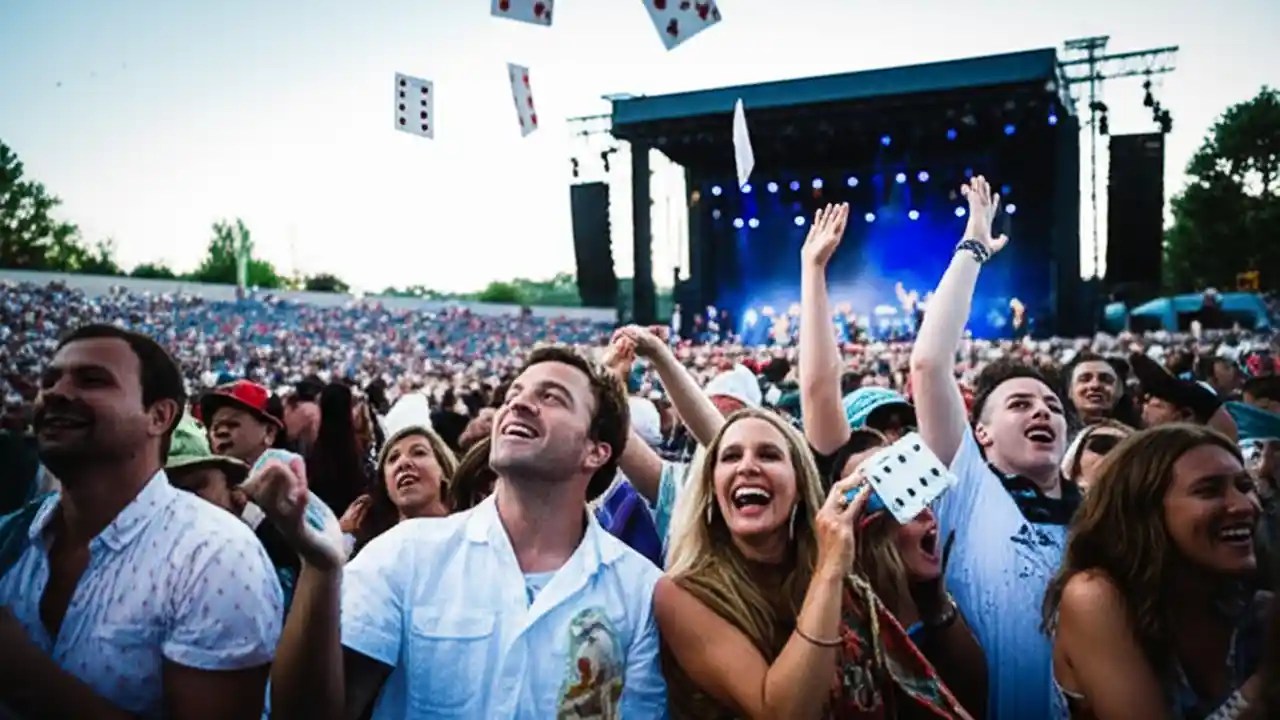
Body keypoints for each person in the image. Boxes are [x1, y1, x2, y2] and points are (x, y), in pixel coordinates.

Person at [250, 346, 668, 719]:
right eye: (514, 394)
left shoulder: (638, 592)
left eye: (551, 397)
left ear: (596, 450)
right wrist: (319, 571)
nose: (519, 405)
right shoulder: (406, 554)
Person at [0, 324, 281, 719]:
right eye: (49, 380)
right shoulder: (10, 537)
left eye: (92, 380)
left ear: (159, 415)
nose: (56, 393)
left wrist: (25, 675)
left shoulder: (214, 555)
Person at [655, 407, 969, 719]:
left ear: (800, 488)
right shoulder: (681, 593)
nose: (747, 467)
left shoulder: (847, 570)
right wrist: (830, 570)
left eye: (768, 455)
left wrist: (933, 598)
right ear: (712, 489)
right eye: (731, 457)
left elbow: (958, 693)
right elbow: (782, 713)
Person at [910, 176, 1075, 719]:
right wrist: (974, 244)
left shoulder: (1101, 514)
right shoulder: (969, 488)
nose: (1042, 411)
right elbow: (930, 363)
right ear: (979, 434)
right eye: (1020, 404)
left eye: (1051, 404)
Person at [1043, 425, 1272, 718]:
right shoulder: (1095, 595)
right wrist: (1265, 682)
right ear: (1144, 511)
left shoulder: (1252, 606)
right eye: (1208, 491)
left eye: (1244, 486)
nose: (1244, 506)